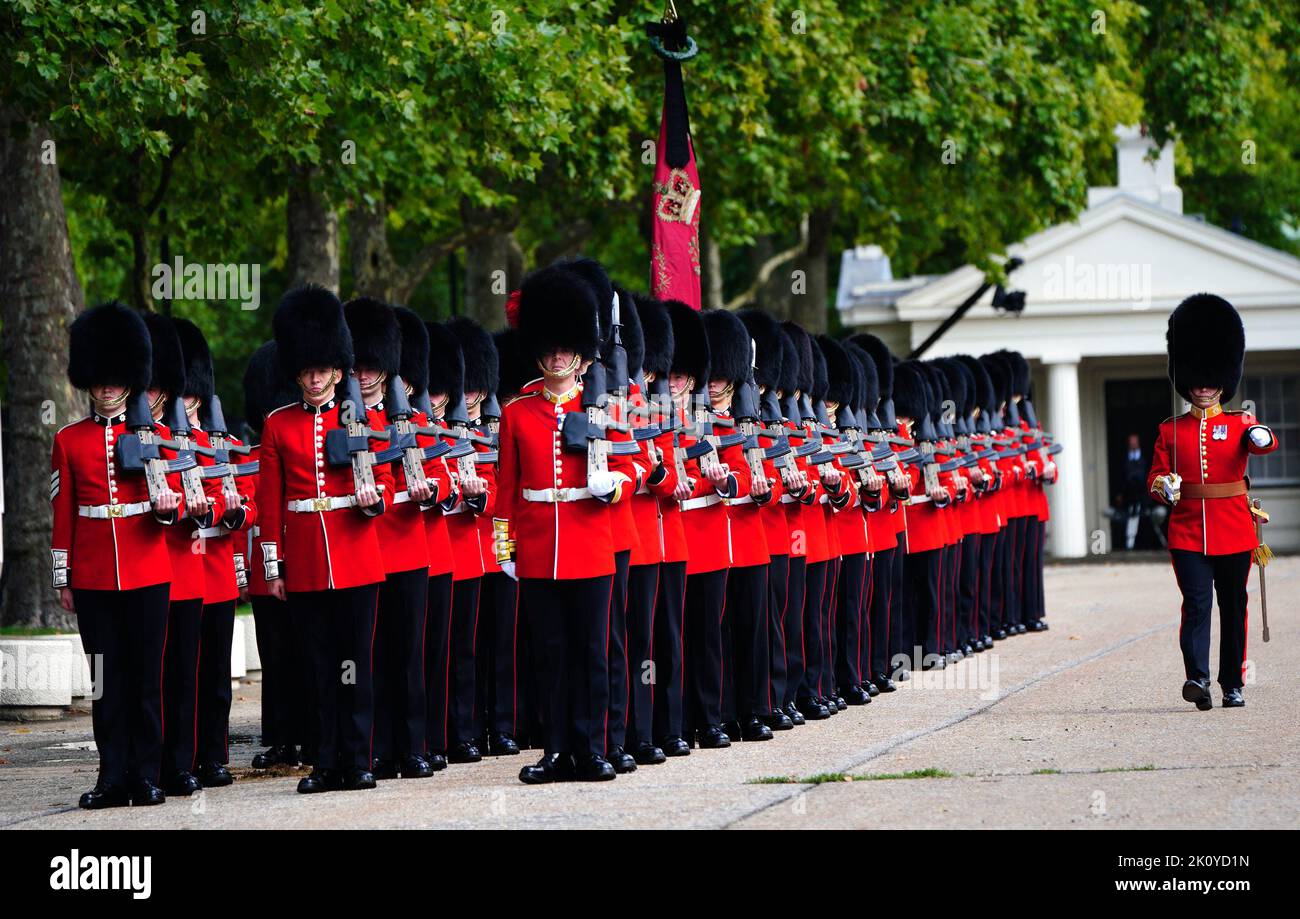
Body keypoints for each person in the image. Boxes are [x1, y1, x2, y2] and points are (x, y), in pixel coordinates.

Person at [496, 261, 631, 783]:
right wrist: (504, 547)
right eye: (548, 346)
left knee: (591, 655)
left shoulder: (601, 406)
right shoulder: (517, 412)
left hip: (591, 542)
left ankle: (591, 748)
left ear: (579, 349)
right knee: (549, 656)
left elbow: (631, 464)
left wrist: (613, 484)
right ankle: (555, 750)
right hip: (537, 549)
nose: (555, 355)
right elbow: (506, 489)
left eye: (564, 346)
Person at [258, 286, 392, 793]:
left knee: (354, 663)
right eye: (306, 370)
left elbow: (392, 482)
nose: (314, 379)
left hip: (356, 556)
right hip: (308, 561)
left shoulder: (367, 420)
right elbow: (270, 504)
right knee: (317, 668)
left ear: (338, 370)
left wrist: (374, 495)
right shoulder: (279, 426)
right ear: (297, 372)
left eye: (322, 370)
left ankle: (357, 759)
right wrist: (274, 567)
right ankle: (325, 760)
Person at [53, 302, 183, 808]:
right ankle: (112, 776)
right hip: (94, 579)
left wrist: (168, 507)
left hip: (148, 571)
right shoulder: (68, 440)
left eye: (116, 378)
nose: (108, 388)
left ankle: (146, 775)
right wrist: (64, 575)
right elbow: (62, 512)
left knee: (146, 680)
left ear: (131, 380)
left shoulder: (159, 438)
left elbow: (172, 506)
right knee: (105, 681)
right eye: (100, 379)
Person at [1148, 293, 1276, 710]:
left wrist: (1260, 436)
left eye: (1211, 378)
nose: (1203, 387)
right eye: (1197, 379)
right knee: (1197, 605)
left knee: (1233, 606)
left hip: (1235, 529)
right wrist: (1163, 487)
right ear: (1185, 378)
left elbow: (1263, 442)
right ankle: (1197, 678)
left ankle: (1232, 683)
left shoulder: (1240, 422)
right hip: (1187, 531)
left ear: (1224, 377)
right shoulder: (1171, 430)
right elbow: (1155, 476)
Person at [344, 297, 440, 781]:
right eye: (356, 366)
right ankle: (377, 748)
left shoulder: (410, 422)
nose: (362, 375)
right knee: (368, 656)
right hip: (361, 550)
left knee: (407, 655)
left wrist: (426, 491)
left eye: (371, 366)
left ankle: (412, 746)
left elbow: (439, 474)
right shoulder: (339, 423)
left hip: (405, 547)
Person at [242, 342, 312, 769]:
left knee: (310, 652)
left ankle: (314, 732)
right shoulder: (249, 454)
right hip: (267, 565)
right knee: (276, 656)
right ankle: (282, 735)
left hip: (306, 558)